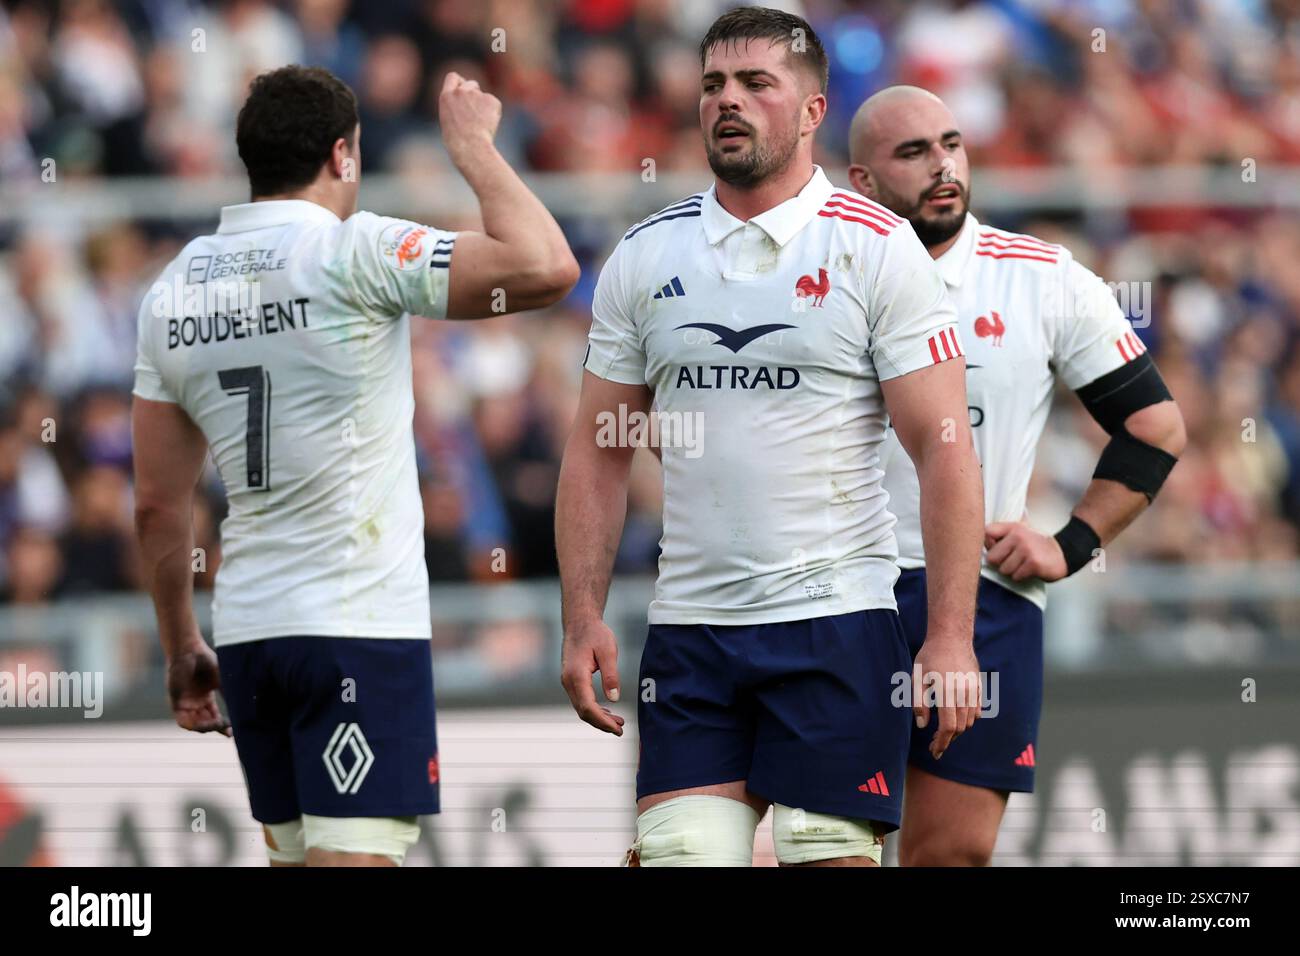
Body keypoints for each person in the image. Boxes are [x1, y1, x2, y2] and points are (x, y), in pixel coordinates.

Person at [556, 8, 983, 868]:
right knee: (681, 854)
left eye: (757, 84)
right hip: (691, 629)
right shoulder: (645, 255)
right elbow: (602, 445)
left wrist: (950, 634)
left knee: (824, 852)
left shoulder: (878, 249)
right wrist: (581, 615)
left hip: (837, 624)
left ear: (814, 109)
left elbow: (943, 447)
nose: (729, 101)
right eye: (714, 84)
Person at [131, 65, 578, 867]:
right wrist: (473, 148)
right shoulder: (357, 249)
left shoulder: (172, 290)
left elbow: (159, 508)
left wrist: (181, 647)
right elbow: (545, 266)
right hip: (355, 626)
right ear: (343, 155)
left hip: (249, 635)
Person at [847, 85, 1186, 866]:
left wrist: (1069, 544)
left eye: (952, 144)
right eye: (914, 152)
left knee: (951, 855)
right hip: (835, 590)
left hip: (982, 597)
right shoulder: (821, 277)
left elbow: (1155, 427)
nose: (943, 167)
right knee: (819, 845)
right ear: (861, 180)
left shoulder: (1043, 278)